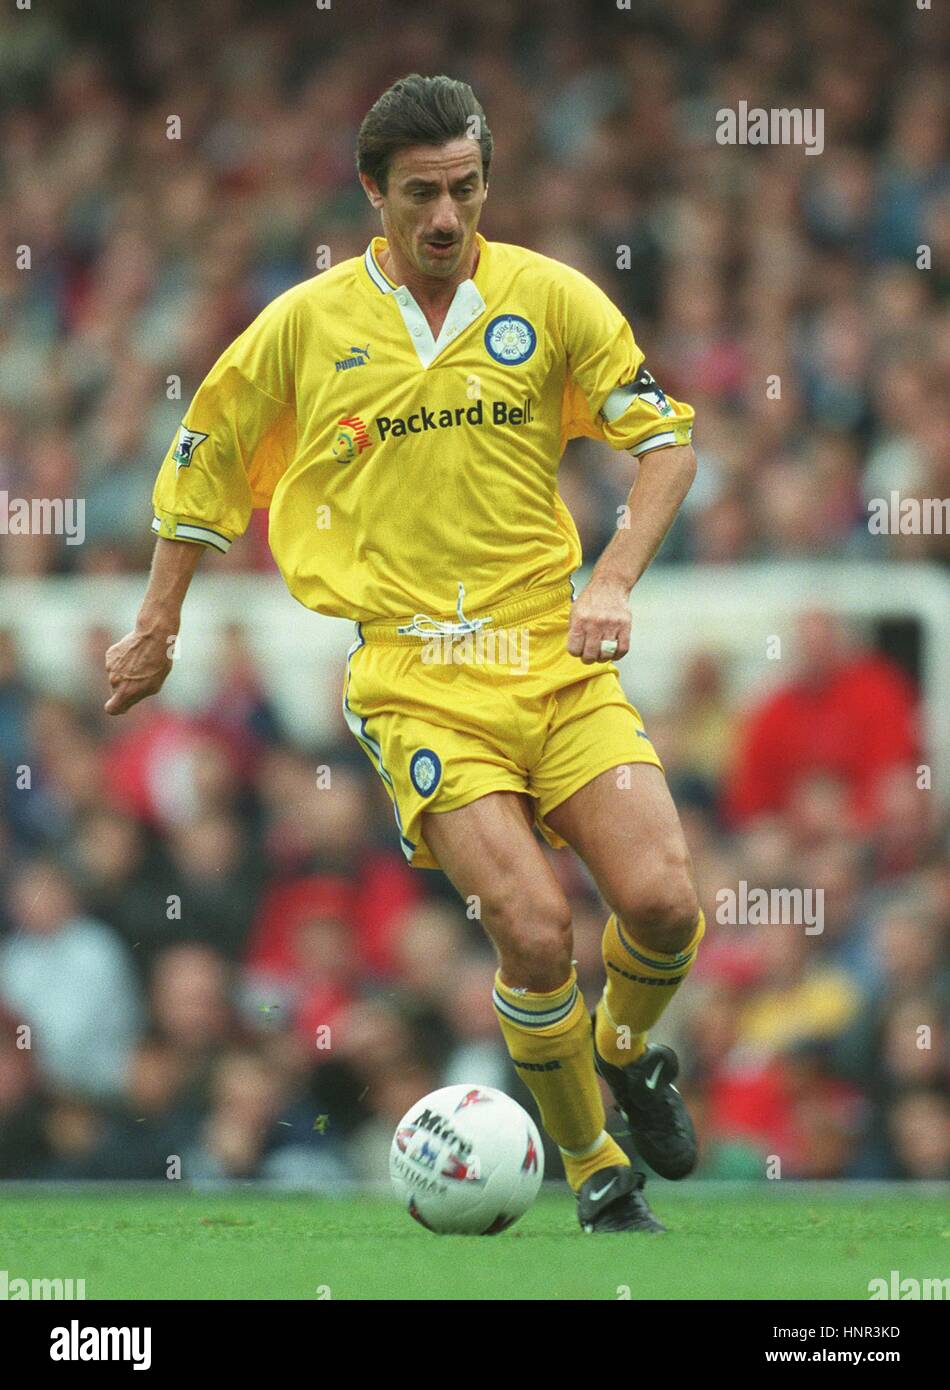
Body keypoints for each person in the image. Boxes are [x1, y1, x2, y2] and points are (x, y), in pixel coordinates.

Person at [105, 74, 705, 1233]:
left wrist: (616, 578)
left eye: (467, 189)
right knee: (535, 929)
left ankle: (627, 1054)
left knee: (665, 905)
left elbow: (666, 443)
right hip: (417, 678)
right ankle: (591, 1171)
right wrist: (160, 620)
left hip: (553, 653)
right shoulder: (304, 325)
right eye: (422, 193)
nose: (446, 216)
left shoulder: (550, 298)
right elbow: (204, 468)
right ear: (371, 192)